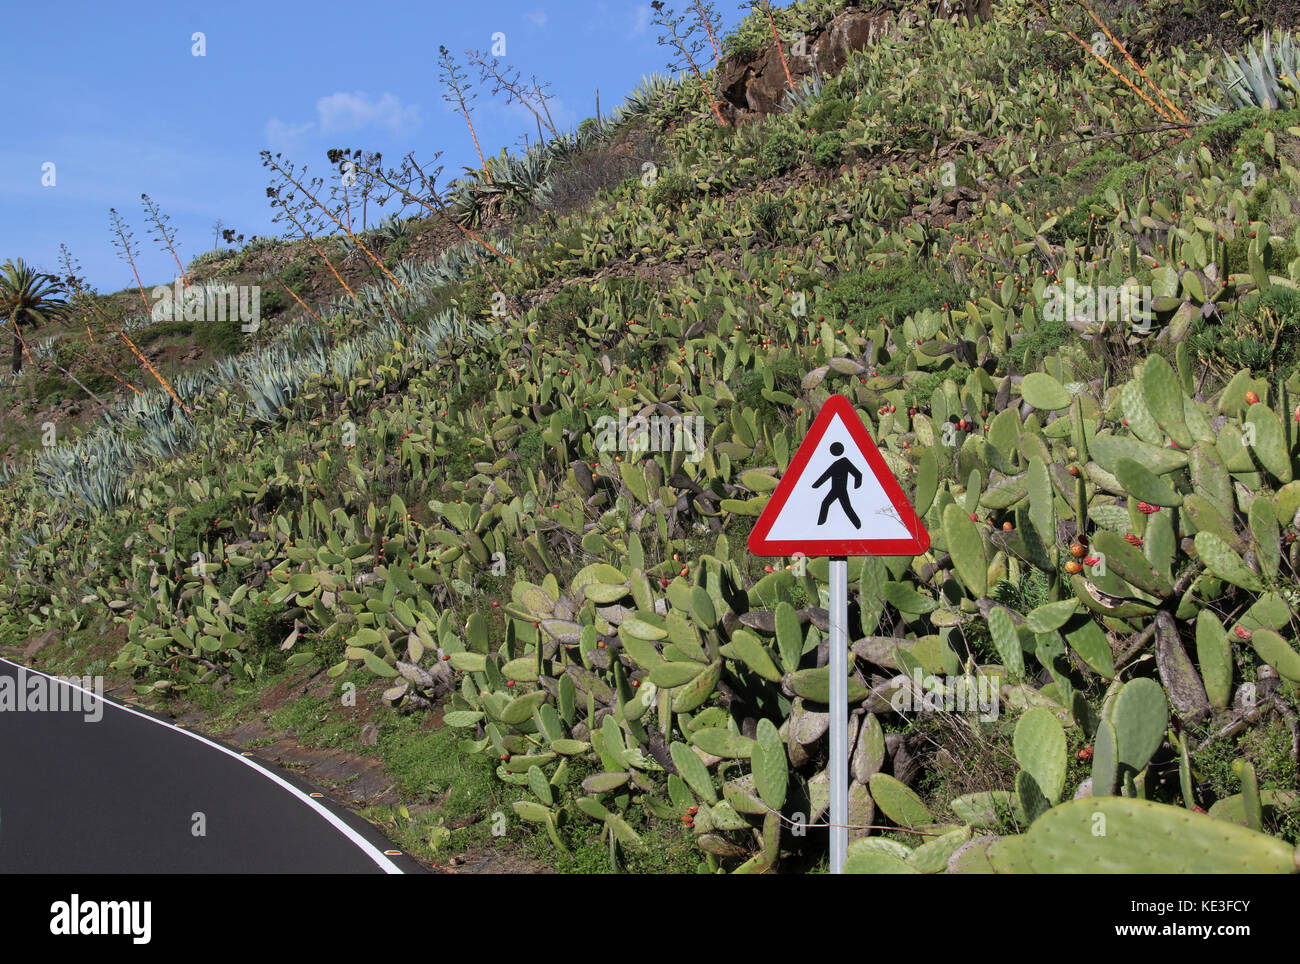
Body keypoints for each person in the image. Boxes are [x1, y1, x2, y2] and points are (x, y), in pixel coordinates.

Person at [812, 441, 862, 528]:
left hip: (840, 490)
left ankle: (858, 525)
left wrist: (857, 485)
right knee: (828, 504)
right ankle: (820, 525)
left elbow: (857, 474)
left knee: (844, 507)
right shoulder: (840, 463)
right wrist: (815, 485)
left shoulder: (843, 462)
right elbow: (826, 475)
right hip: (836, 489)